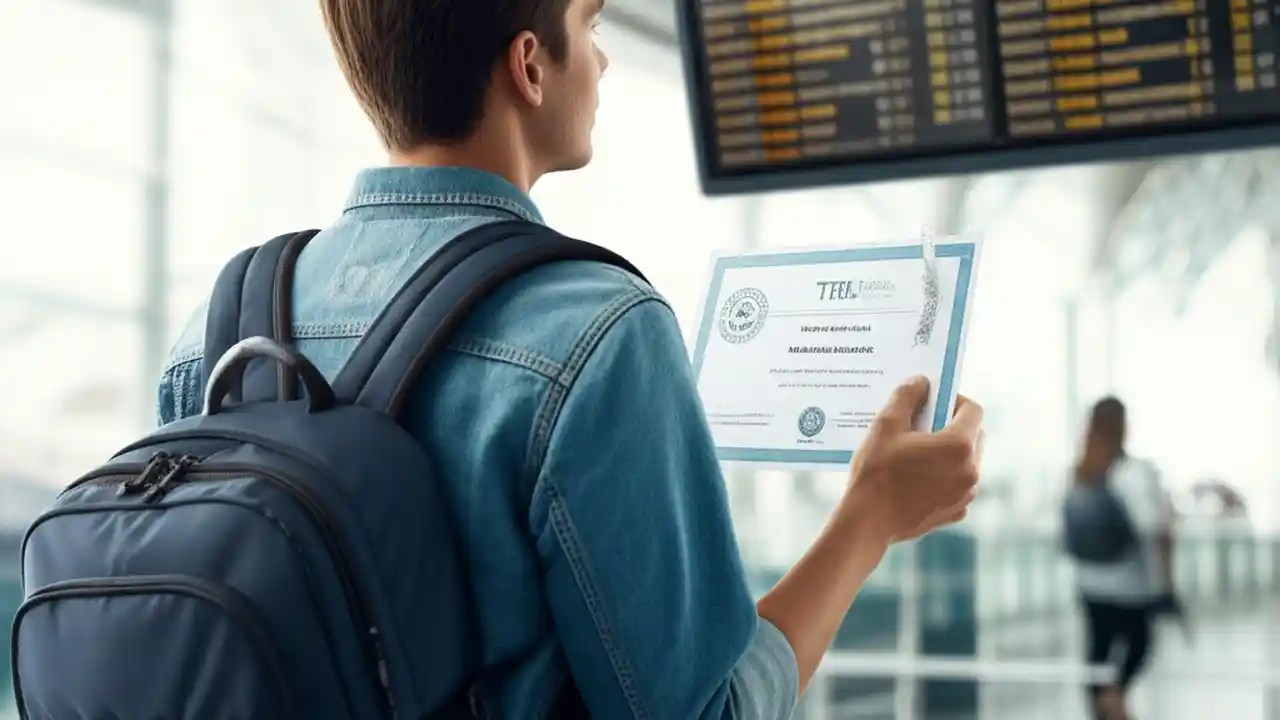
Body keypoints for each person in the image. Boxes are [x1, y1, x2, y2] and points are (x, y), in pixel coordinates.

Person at [156, 1, 985, 716]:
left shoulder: (218, 328)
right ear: (530, 65)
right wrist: (870, 515)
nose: (604, 54)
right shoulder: (597, 330)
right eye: (588, 24)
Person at [1070, 397, 1174, 720]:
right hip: (1131, 586)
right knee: (1136, 652)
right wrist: (1166, 582)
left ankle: (1105, 708)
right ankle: (1116, 706)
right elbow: (1155, 527)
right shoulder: (1135, 472)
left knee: (1098, 659)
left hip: (1090, 585)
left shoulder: (1080, 472)